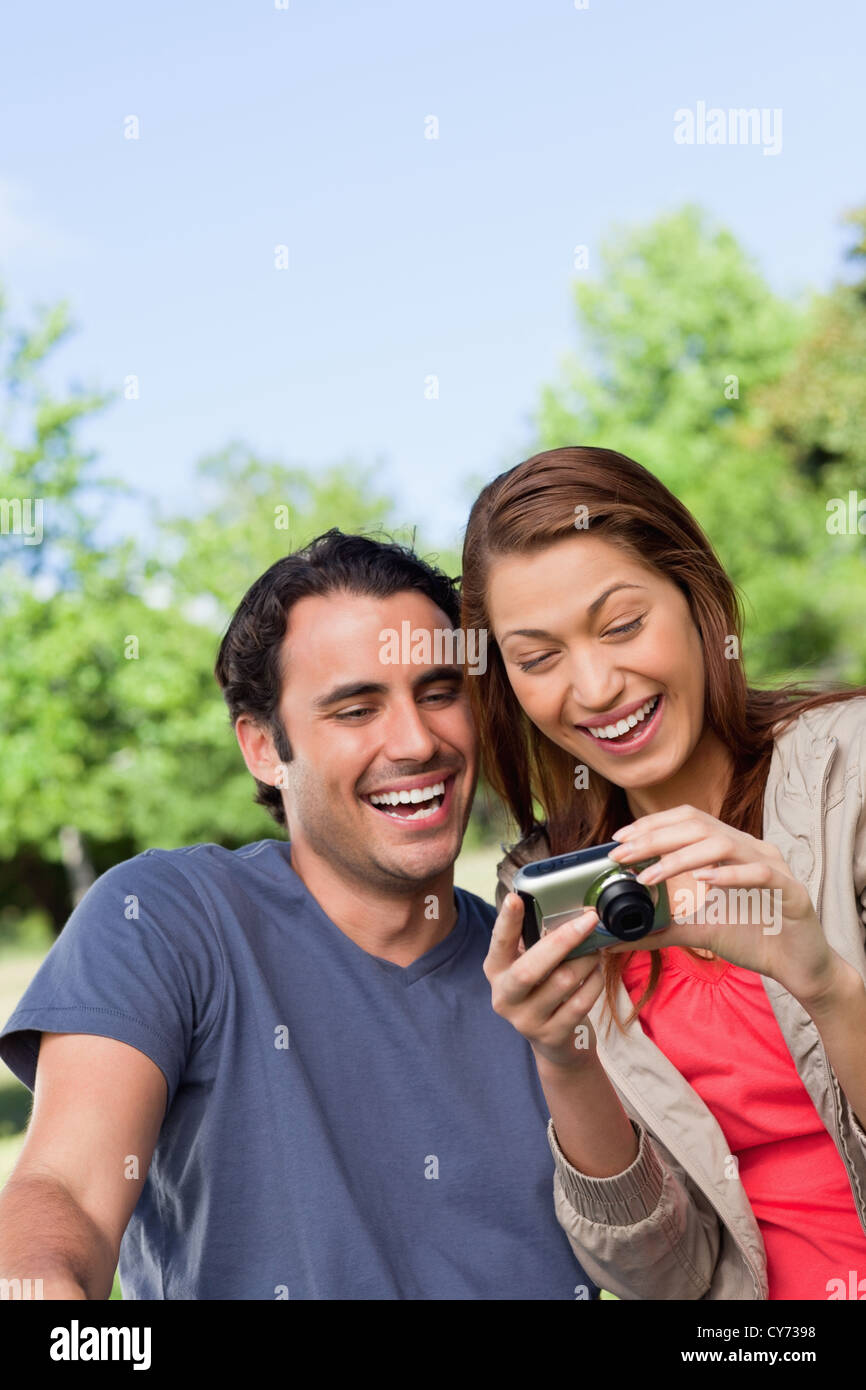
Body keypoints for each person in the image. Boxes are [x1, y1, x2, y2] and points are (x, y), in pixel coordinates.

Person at [0, 529, 598, 1301]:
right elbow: (66, 1191)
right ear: (261, 748)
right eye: (356, 708)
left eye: (441, 692)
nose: (417, 741)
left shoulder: (551, 971)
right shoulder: (165, 919)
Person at [460, 445, 866, 1301]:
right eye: (538, 659)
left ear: (696, 597)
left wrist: (826, 985)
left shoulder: (849, 776)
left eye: (621, 626)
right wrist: (566, 1061)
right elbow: (663, 1279)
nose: (597, 686)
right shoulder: (551, 895)